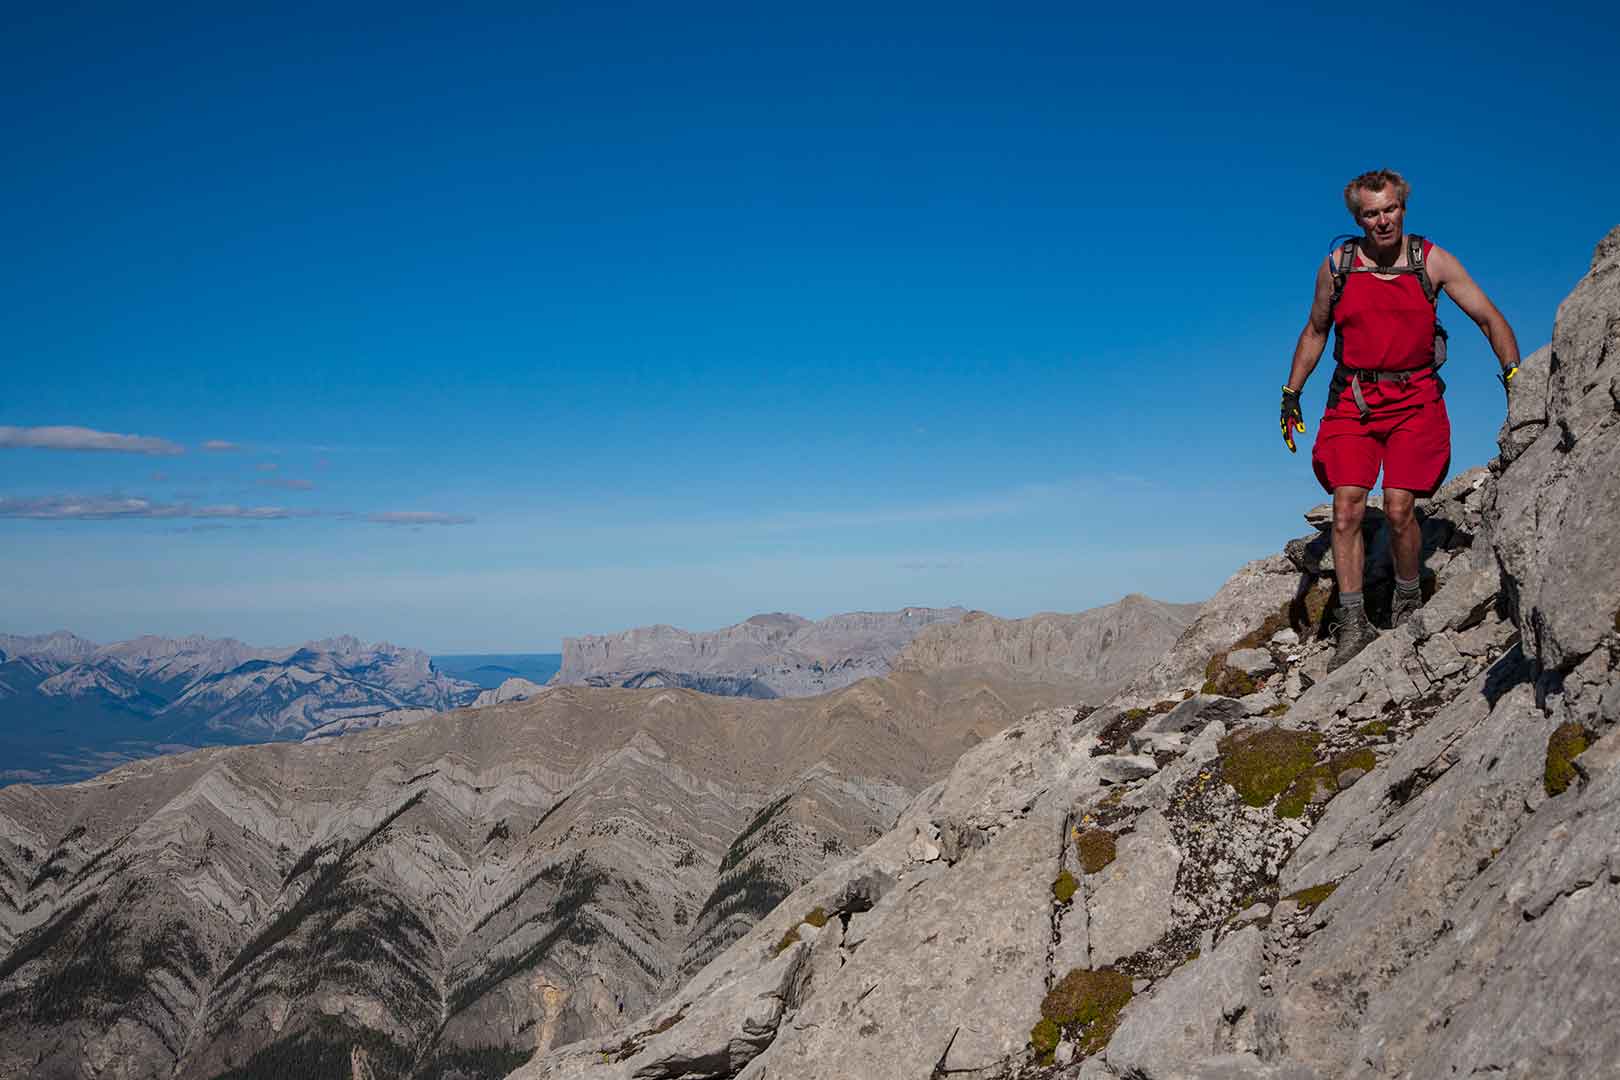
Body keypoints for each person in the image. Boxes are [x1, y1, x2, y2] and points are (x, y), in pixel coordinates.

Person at [1280, 169, 1521, 671]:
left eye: (1390, 209)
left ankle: (1408, 600)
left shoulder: (1431, 261)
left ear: (1403, 208)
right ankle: (1353, 624)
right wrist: (1292, 392)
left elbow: (1488, 317)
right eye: (1371, 213)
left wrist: (1514, 375)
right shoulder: (1338, 266)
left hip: (1415, 399)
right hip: (1353, 399)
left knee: (1397, 507)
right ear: (1358, 219)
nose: (1383, 220)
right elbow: (1316, 331)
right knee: (1346, 508)